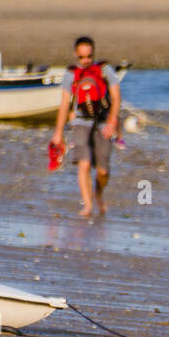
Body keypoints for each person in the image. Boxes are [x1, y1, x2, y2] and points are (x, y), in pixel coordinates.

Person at [50, 35, 123, 216]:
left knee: (103, 171)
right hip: (80, 122)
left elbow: (116, 98)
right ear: (76, 55)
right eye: (81, 57)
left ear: (93, 54)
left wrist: (113, 121)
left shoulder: (105, 70)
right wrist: (58, 133)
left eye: (89, 57)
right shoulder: (70, 74)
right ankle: (88, 205)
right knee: (84, 164)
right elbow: (64, 105)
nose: (86, 61)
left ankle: (98, 194)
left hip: (103, 122)